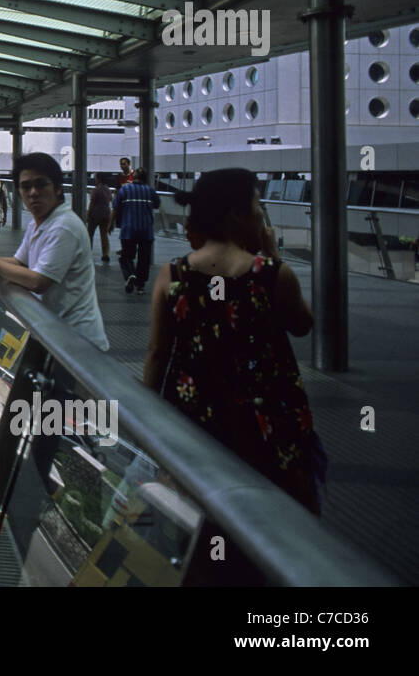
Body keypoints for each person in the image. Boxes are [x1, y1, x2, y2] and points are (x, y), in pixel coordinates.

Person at [143, 168, 324, 514]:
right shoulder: (270, 274)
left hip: (194, 415)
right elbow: (302, 324)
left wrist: (148, 417)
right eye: (256, 203)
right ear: (236, 214)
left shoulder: (174, 274)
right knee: (277, 513)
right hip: (267, 418)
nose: (260, 211)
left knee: (202, 510)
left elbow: (156, 352)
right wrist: (273, 255)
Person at [0, 152, 108, 350]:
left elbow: (38, 281)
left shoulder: (64, 226)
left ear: (57, 188)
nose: (33, 193)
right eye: (25, 186)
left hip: (80, 345)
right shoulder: (38, 224)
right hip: (57, 336)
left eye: (40, 184)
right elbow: (19, 263)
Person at [113, 167, 160, 294]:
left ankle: (130, 275)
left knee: (126, 256)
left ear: (134, 178)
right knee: (144, 259)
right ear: (145, 179)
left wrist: (112, 223)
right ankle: (141, 286)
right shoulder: (150, 191)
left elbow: (115, 206)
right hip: (146, 230)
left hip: (128, 229)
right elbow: (157, 204)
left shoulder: (125, 189)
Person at [87, 173, 113, 263]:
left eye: (95, 178)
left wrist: (88, 213)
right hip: (106, 214)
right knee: (104, 235)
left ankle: (88, 253)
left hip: (95, 214)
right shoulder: (108, 189)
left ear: (99, 179)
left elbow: (92, 203)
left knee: (90, 234)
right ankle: (105, 254)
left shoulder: (96, 190)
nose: (95, 179)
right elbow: (110, 200)